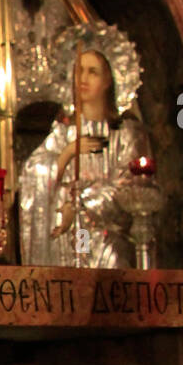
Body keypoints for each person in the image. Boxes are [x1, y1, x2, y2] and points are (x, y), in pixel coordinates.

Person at [19, 46, 150, 268]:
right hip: (72, 241)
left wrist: (79, 202)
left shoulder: (126, 133)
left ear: (108, 80)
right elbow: (34, 175)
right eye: (79, 71)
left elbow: (127, 187)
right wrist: (69, 152)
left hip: (110, 242)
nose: (83, 78)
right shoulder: (63, 133)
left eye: (93, 72)